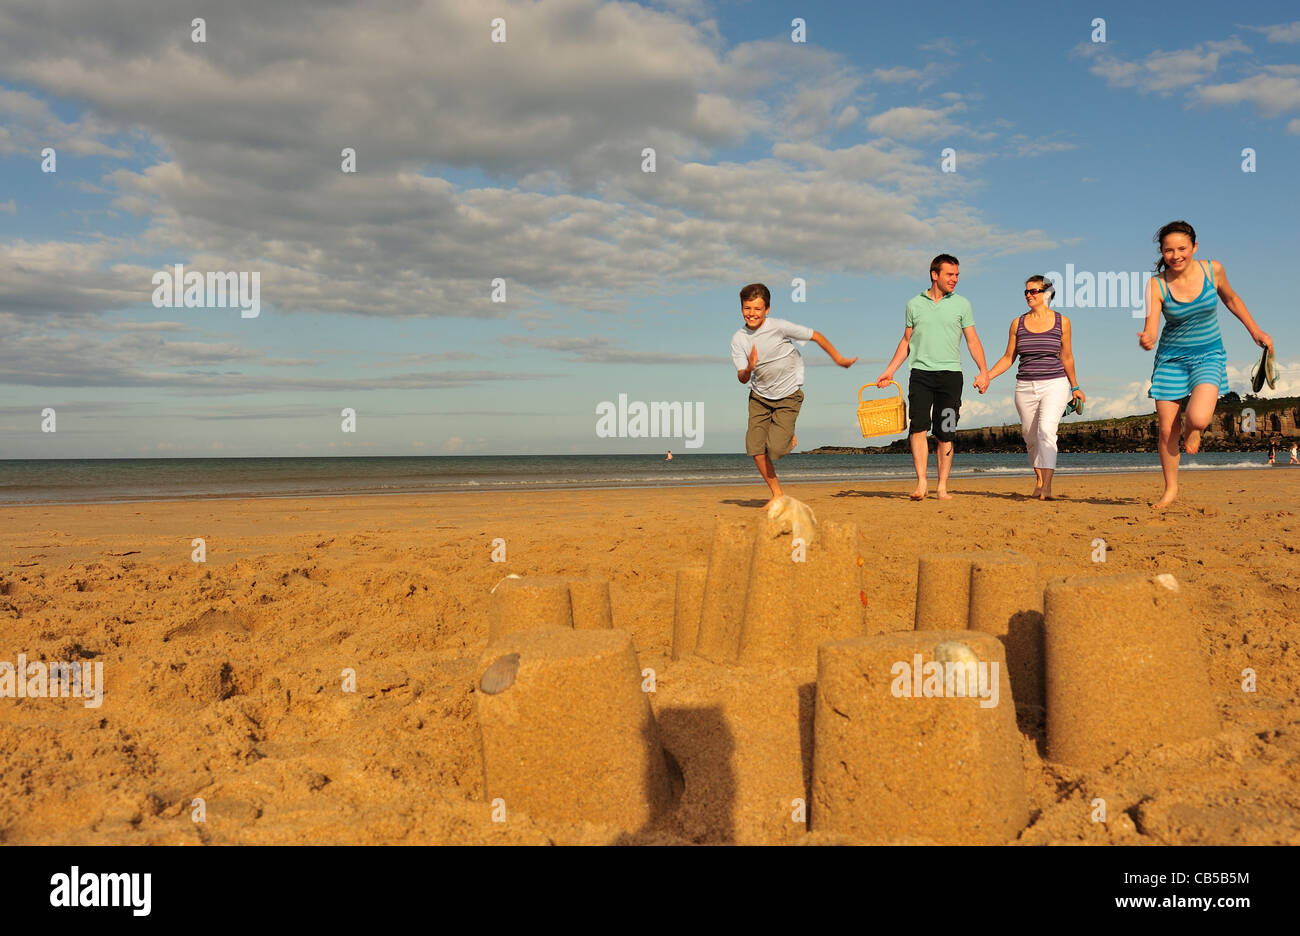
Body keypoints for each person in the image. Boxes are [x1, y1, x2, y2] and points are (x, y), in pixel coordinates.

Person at [1138, 220, 1273, 508]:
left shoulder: (1213, 270)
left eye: (1182, 248)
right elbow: (1152, 322)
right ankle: (1170, 489)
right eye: (1169, 250)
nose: (1176, 255)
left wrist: (1255, 331)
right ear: (1162, 253)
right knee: (1166, 431)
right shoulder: (1157, 284)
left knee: (1197, 419)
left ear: (1194, 247)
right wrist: (1148, 336)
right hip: (1171, 359)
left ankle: (1196, 429)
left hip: (1209, 354)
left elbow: (1232, 299)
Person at [876, 254, 991, 500]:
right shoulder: (913, 305)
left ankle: (942, 487)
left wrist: (983, 371)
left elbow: (972, 340)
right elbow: (906, 341)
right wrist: (890, 370)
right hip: (920, 374)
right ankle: (921, 484)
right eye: (950, 274)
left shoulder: (962, 304)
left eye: (957, 275)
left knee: (946, 431)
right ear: (934, 275)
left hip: (951, 377)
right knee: (917, 427)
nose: (955, 279)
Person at [731, 283, 856, 507]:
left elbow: (815, 336)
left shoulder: (779, 327)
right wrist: (749, 369)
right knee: (754, 448)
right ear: (741, 308)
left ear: (767, 309)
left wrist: (838, 359)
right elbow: (741, 377)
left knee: (777, 450)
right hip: (759, 397)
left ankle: (786, 438)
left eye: (757, 309)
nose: (752, 313)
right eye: (747, 308)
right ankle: (777, 492)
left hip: (788, 395)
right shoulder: (739, 339)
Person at [984, 275, 1084, 500]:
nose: (1029, 295)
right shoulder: (1017, 323)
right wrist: (987, 376)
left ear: (1047, 293)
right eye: (1026, 292)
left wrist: (1075, 387)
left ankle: (1047, 487)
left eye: (1034, 291)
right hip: (1025, 386)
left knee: (1046, 432)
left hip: (1055, 384)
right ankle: (1039, 479)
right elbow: (1008, 357)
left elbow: (1067, 357)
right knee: (1030, 437)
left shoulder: (1062, 322)